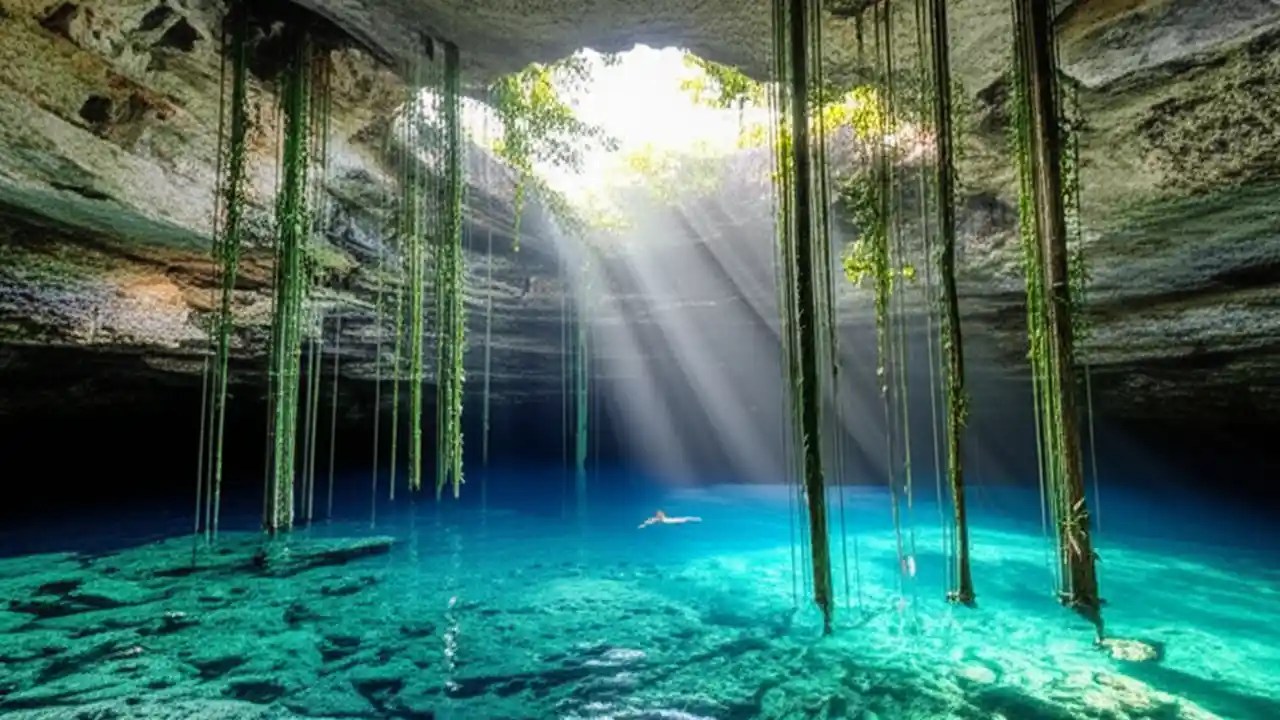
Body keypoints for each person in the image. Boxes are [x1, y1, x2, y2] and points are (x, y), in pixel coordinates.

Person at [637, 509, 702, 529]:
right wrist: (643, 525)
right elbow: (651, 522)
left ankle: (697, 520)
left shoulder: (659, 519)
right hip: (673, 521)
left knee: (686, 519)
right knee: (687, 519)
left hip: (673, 520)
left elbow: (651, 521)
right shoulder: (659, 519)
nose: (663, 514)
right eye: (662, 514)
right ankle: (697, 520)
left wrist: (644, 524)